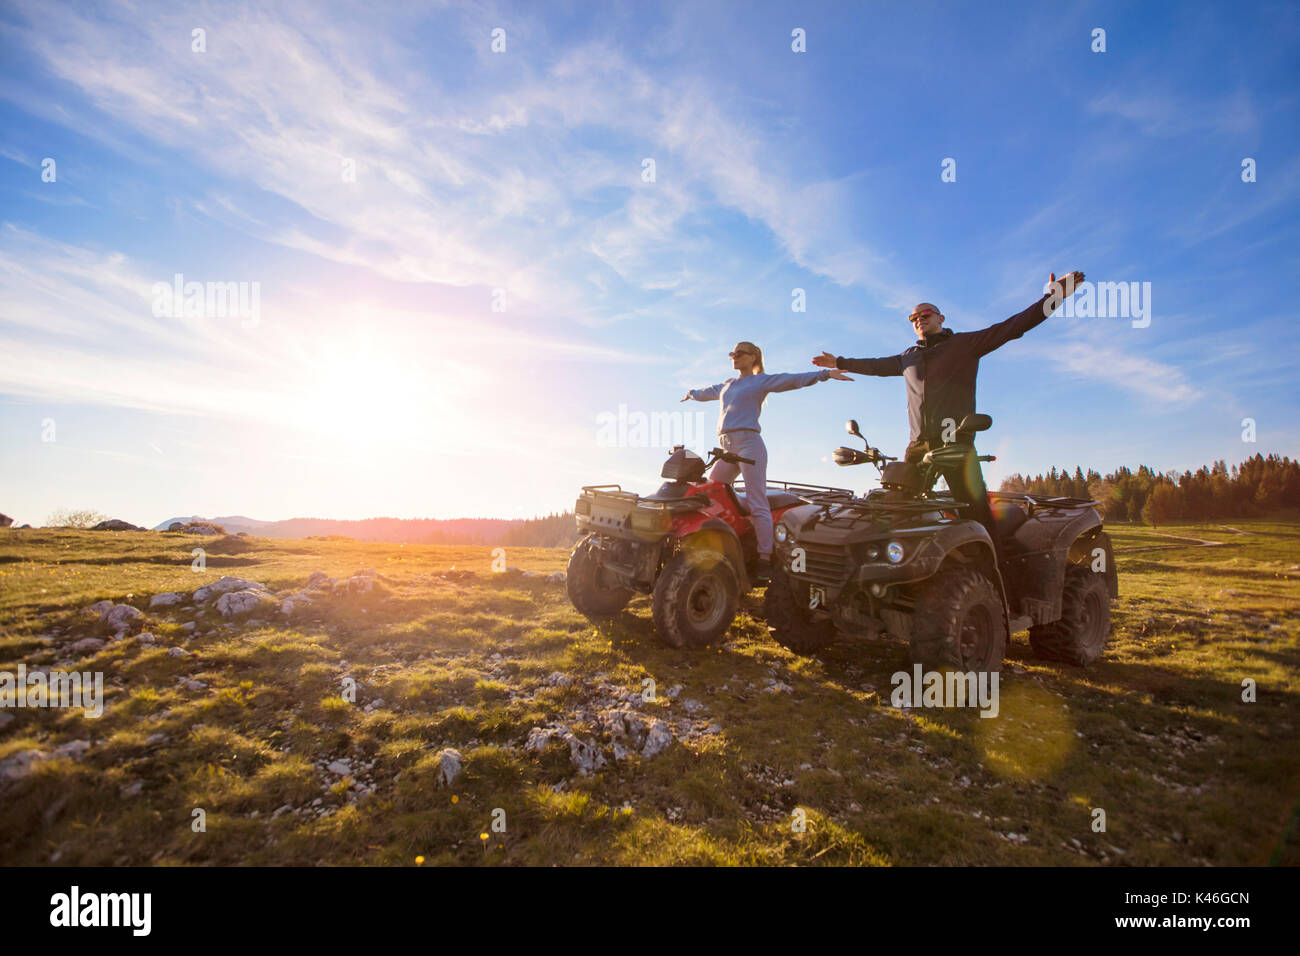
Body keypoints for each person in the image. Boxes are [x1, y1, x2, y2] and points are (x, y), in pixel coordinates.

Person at [812, 271, 1085, 541]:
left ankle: (994, 573)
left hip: (956, 444)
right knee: (897, 511)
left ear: (940, 318)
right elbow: (875, 365)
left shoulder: (964, 345)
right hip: (917, 446)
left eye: (925, 314)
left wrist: (1054, 298)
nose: (919, 319)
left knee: (975, 513)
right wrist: (840, 362)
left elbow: (1014, 326)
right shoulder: (908, 358)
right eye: (914, 318)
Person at [683, 340, 852, 580]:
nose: (734, 356)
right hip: (726, 448)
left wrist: (825, 374)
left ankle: (764, 558)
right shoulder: (727, 384)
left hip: (749, 444)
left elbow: (793, 379)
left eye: (740, 353)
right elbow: (706, 392)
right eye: (732, 352)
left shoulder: (760, 381)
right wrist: (691, 393)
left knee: (757, 500)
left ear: (753, 357)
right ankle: (727, 543)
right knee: (711, 491)